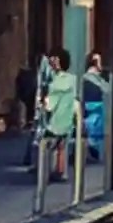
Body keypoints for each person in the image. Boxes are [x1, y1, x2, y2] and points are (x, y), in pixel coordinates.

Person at [42, 48, 77, 182]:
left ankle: (52, 171)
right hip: (67, 119)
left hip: (55, 120)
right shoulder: (72, 79)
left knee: (49, 145)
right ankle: (62, 171)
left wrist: (43, 103)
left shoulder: (55, 82)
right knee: (63, 145)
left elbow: (50, 104)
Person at [81, 53, 109, 162]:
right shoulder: (92, 78)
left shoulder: (95, 78)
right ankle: (93, 148)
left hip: (94, 106)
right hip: (94, 107)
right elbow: (106, 89)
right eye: (98, 61)